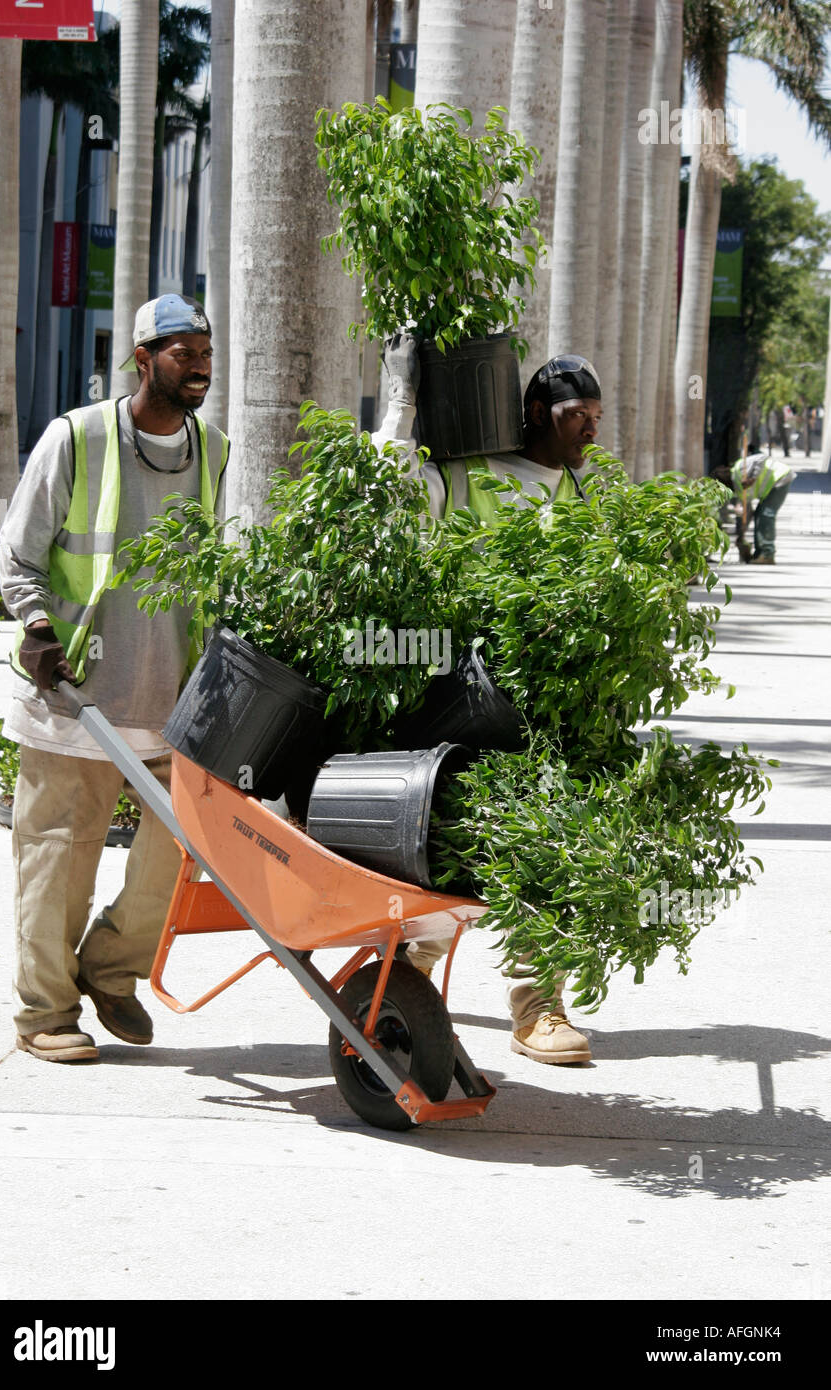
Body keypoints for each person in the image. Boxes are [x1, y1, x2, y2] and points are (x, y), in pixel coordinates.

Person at [0, 294, 229, 1063]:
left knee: (180, 848)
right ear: (143, 358)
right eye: (182, 350)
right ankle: (45, 1014)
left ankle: (110, 967)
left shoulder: (213, 448)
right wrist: (36, 628)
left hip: (172, 702)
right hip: (77, 696)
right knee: (58, 858)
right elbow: (20, 555)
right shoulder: (78, 438)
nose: (199, 362)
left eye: (204, 348)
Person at [373, 342, 603, 1064]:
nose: (588, 430)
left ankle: (537, 1005)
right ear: (536, 411)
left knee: (545, 847)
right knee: (445, 845)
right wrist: (401, 397)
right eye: (576, 416)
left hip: (541, 710)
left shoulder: (582, 496)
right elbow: (388, 486)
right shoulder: (464, 478)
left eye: (596, 417)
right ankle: (406, 984)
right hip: (459, 702)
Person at [711, 452, 793, 565]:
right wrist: (741, 535)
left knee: (766, 515)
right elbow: (747, 514)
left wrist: (753, 477)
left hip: (780, 478)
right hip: (770, 487)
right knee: (759, 515)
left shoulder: (740, 469)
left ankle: (767, 553)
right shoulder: (738, 489)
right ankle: (759, 554)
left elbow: (761, 457)